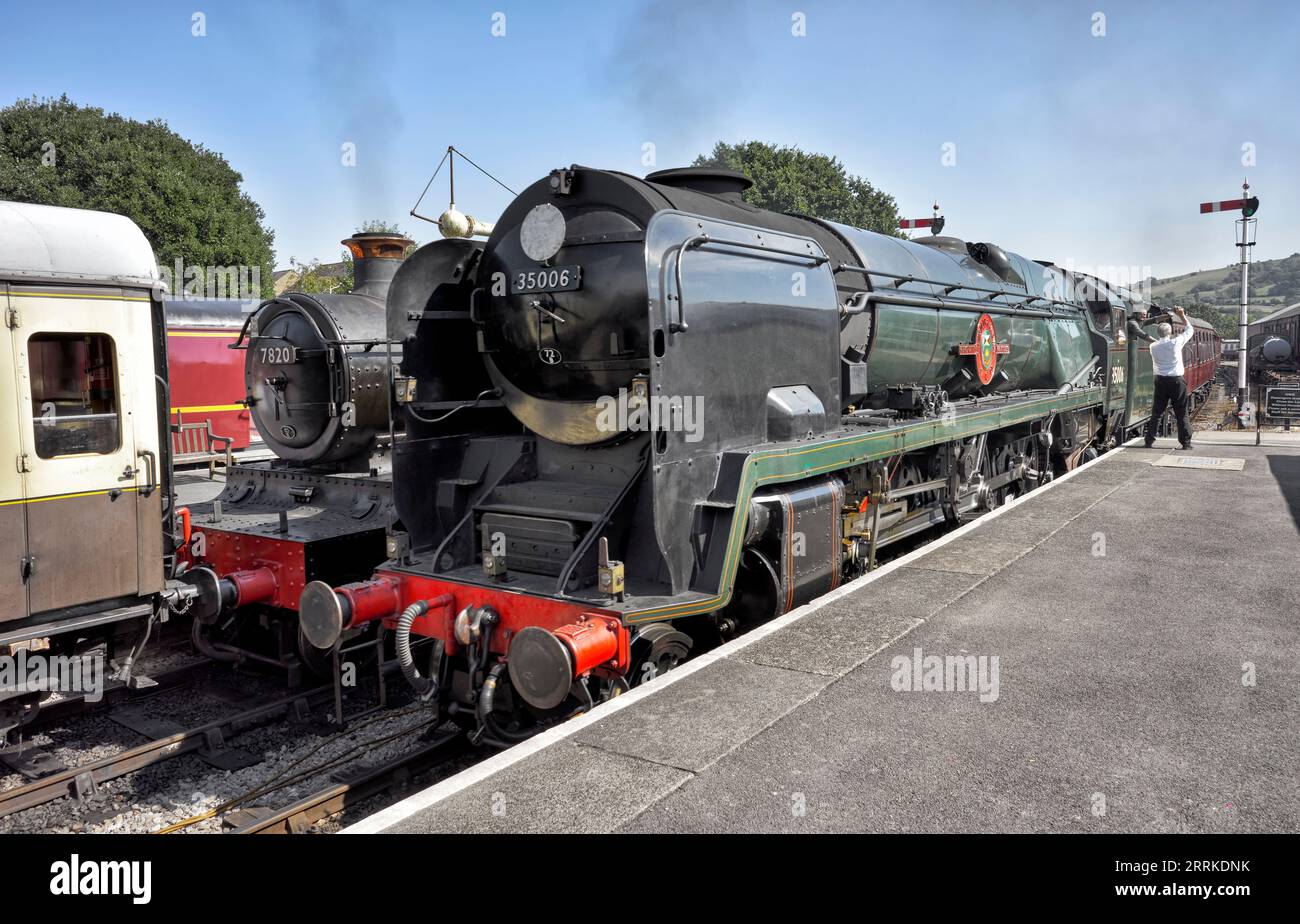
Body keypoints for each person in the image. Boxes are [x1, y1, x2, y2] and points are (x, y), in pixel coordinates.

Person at [1143, 305, 1195, 450]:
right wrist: (1182, 315)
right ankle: (1185, 442)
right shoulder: (1175, 343)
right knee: (1181, 412)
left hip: (1160, 381)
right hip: (1176, 381)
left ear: (1158, 333)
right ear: (1170, 332)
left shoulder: (1153, 346)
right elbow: (1190, 330)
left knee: (1157, 412)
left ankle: (1149, 440)